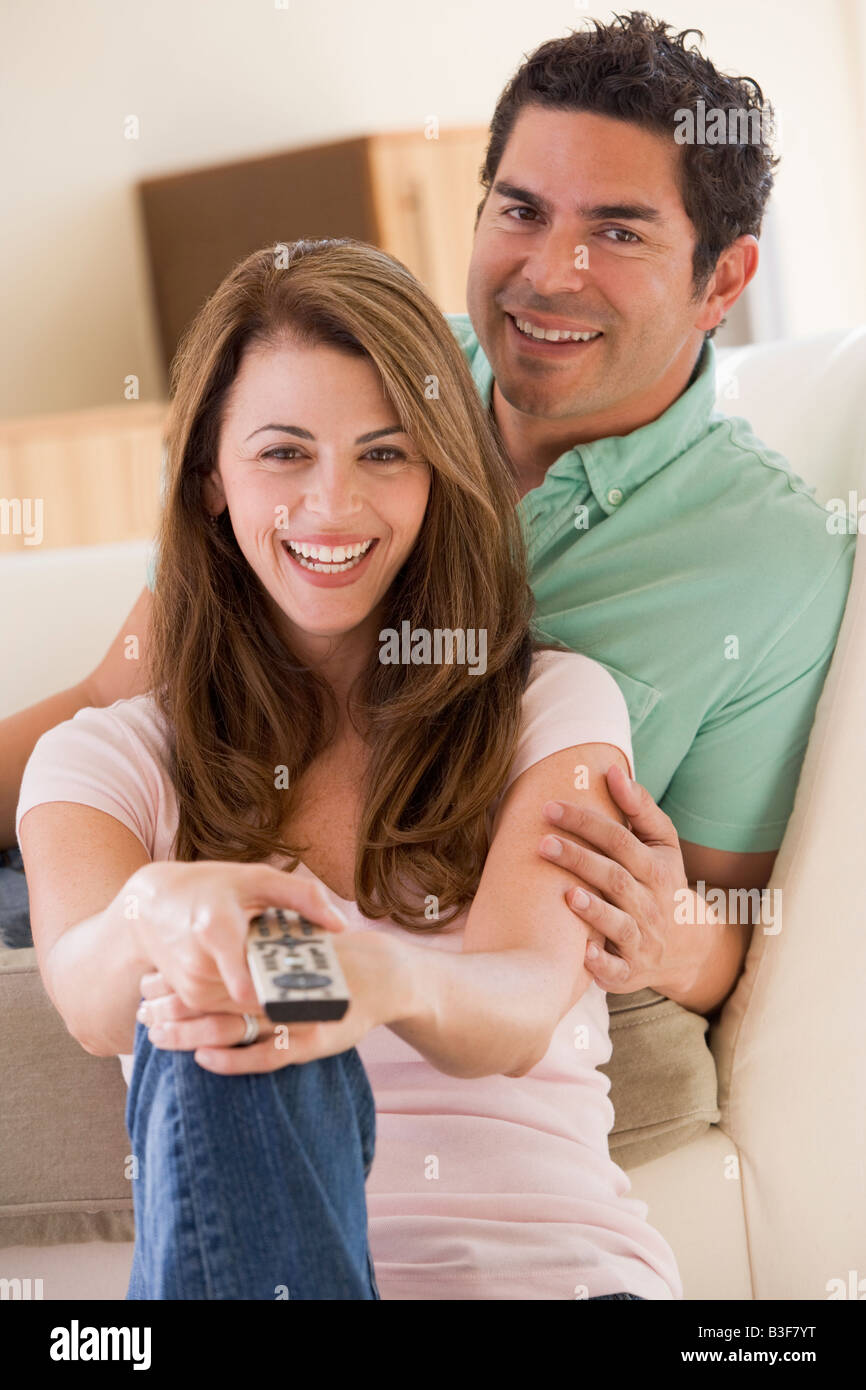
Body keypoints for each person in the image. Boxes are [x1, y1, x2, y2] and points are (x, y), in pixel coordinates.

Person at [2, 14, 855, 1018]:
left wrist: (674, 939)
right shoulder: (343, 367)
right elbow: (120, 690)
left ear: (722, 280)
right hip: (162, 897)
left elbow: (732, 917)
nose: (546, 272)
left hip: (439, 983)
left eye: (615, 231)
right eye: (521, 210)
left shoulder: (769, 562)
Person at [16, 236, 679, 1300]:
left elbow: (519, 1003)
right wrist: (161, 909)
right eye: (283, 453)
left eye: (384, 452)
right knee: (224, 986)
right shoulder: (104, 758)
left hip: (546, 1280)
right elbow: (91, 996)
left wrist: (377, 979)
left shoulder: (548, 707)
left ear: (437, 471)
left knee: (273, 976)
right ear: (209, 482)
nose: (333, 506)